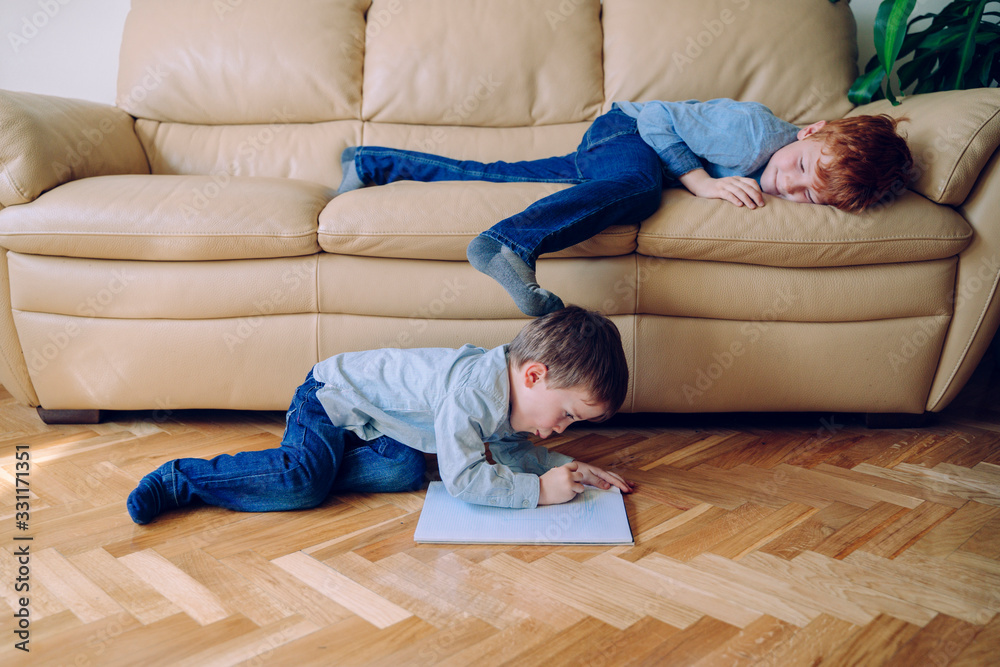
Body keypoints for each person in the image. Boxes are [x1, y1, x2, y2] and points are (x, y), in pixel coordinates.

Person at [337, 98, 913, 317]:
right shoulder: (751, 132)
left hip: (618, 159)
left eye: (813, 197)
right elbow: (656, 116)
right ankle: (508, 243)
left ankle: (370, 164)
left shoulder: (782, 171)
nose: (794, 187)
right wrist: (699, 182)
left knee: (501, 176)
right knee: (639, 191)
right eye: (804, 169)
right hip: (626, 132)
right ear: (810, 131)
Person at [126, 306, 632, 525]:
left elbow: (512, 449)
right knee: (303, 480)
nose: (561, 427)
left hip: (382, 421)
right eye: (566, 415)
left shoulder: (513, 395)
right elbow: (462, 480)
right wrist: (541, 491)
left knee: (405, 469)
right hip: (329, 398)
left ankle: (330, 463)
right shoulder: (474, 391)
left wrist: (560, 465)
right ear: (534, 376)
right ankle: (181, 479)